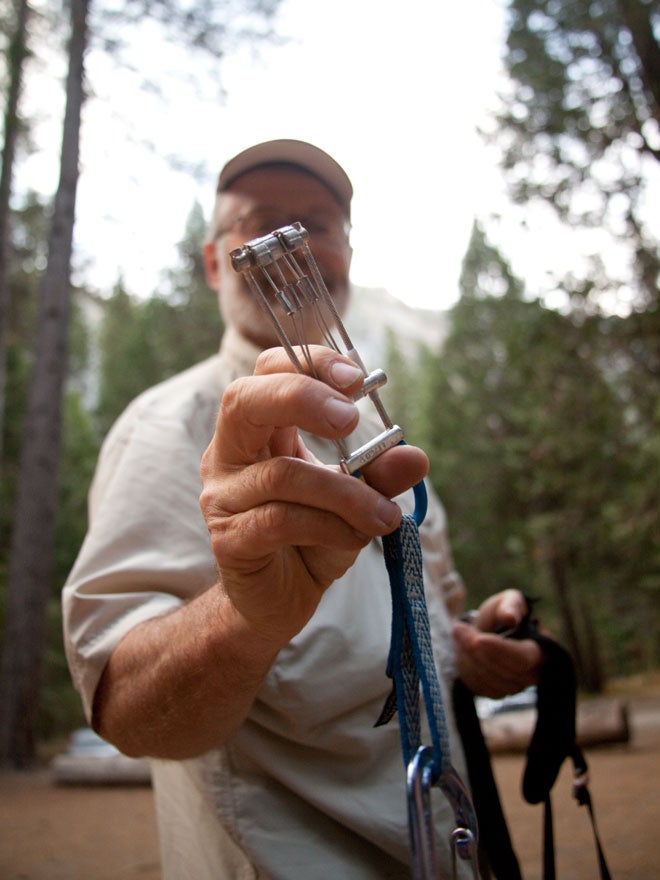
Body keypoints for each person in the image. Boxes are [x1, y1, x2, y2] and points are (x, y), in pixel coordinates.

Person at [63, 139, 541, 879]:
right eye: (259, 223)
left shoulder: (376, 432)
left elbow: (429, 613)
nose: (292, 247)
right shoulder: (160, 433)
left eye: (318, 225)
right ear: (217, 262)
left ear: (347, 251)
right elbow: (123, 707)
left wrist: (471, 642)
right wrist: (246, 614)